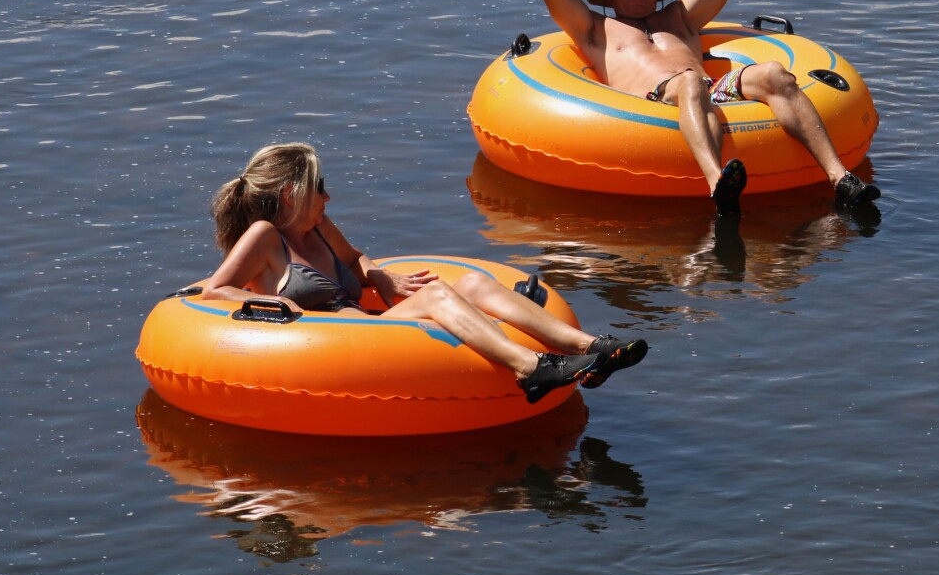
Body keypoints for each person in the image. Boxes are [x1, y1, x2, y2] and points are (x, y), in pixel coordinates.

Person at [203, 143, 647, 404]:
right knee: (436, 296)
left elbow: (355, 260)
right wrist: (274, 302)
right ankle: (530, 368)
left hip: (369, 327)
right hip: (335, 344)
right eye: (319, 187)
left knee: (473, 283)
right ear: (290, 193)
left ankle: (590, 347)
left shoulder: (317, 226)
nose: (327, 197)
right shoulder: (265, 237)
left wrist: (379, 277)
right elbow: (216, 290)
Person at [534, 0, 881, 217]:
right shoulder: (594, 29)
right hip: (653, 101)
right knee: (688, 82)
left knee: (775, 74)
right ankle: (718, 183)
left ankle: (841, 179)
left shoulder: (681, 17)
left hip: (710, 89)